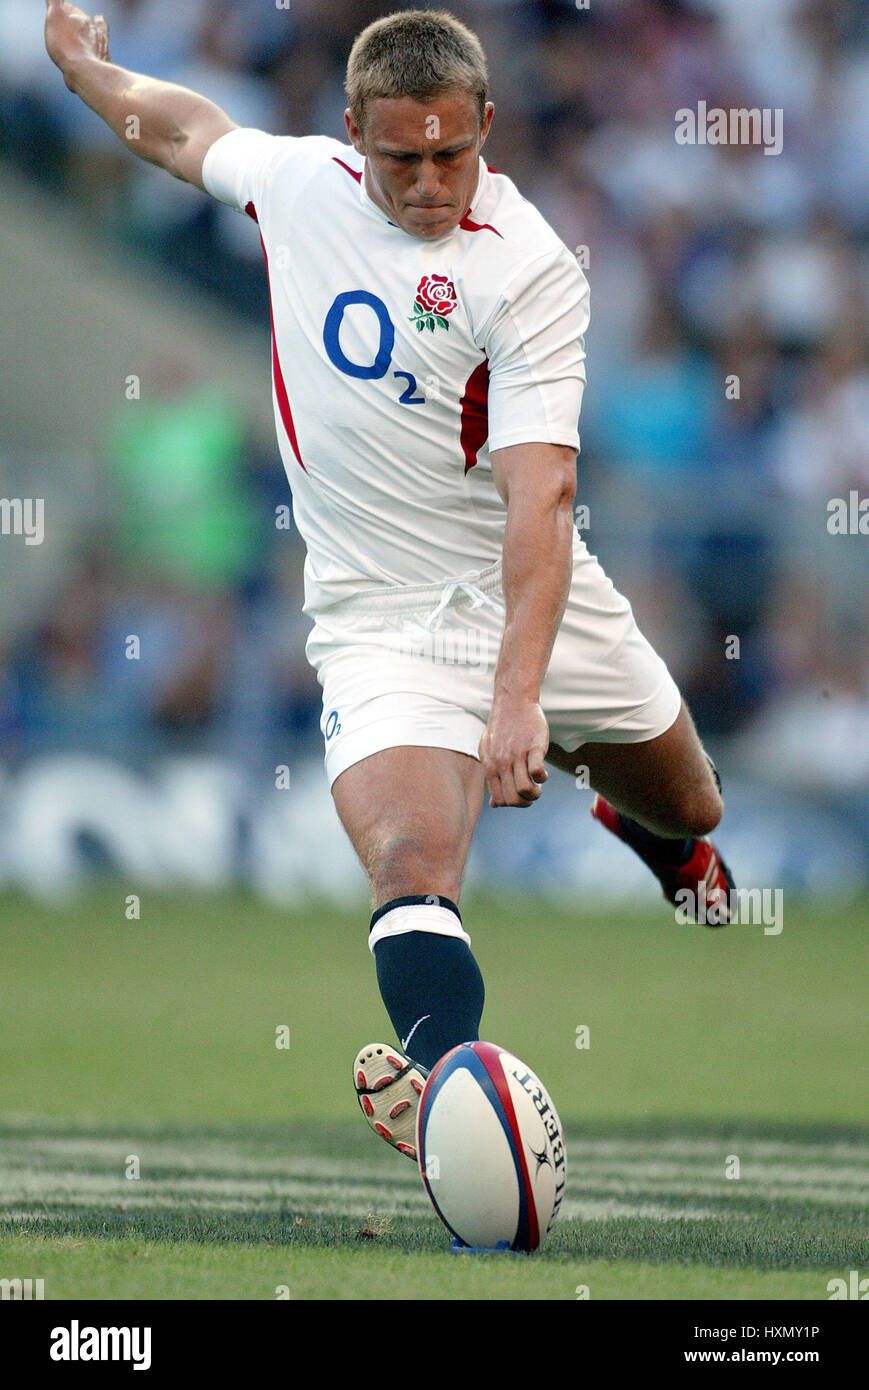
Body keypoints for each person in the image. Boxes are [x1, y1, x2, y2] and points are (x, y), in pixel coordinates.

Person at [45, 4, 735, 1163]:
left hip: (525, 591)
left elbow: (541, 501)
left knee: (695, 805)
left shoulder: (524, 268)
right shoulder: (300, 187)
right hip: (377, 622)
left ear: (487, 129)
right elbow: (175, 131)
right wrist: (80, 71)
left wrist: (519, 698)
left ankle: (643, 823)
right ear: (351, 133)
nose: (427, 183)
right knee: (414, 863)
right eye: (399, 158)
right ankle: (442, 1088)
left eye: (450, 155)